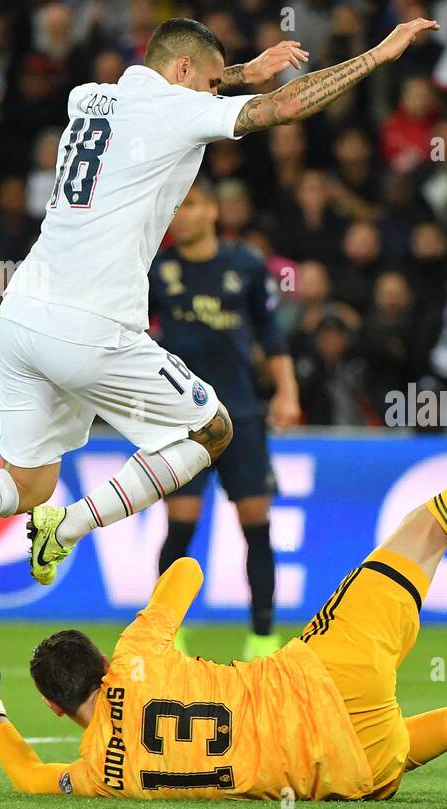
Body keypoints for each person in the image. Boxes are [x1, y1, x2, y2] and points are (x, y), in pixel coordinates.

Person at [0, 16, 440, 622]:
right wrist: (377, 56)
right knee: (210, 430)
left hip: (23, 315)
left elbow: (177, 85)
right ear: (184, 72)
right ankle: (68, 528)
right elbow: (286, 107)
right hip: (91, 325)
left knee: (27, 483)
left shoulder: (92, 97)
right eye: (213, 82)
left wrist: (242, 72)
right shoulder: (176, 111)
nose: (219, 93)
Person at [0, 327, 447, 801]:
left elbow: (31, 778)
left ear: (57, 711)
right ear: (101, 666)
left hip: (342, 775)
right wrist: (133, 617)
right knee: (430, 527)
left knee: (388, 746)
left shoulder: (98, 775)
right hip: (322, 677)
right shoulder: (137, 655)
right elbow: (187, 575)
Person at [150, 178, 300, 661]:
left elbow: (271, 337)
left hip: (240, 415)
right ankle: (167, 632)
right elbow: (128, 334)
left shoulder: (246, 265)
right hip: (181, 420)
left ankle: (261, 636)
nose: (182, 215)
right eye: (176, 207)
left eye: (191, 205)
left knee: (256, 524)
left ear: (213, 210)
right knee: (181, 524)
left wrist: (287, 391)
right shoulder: (157, 269)